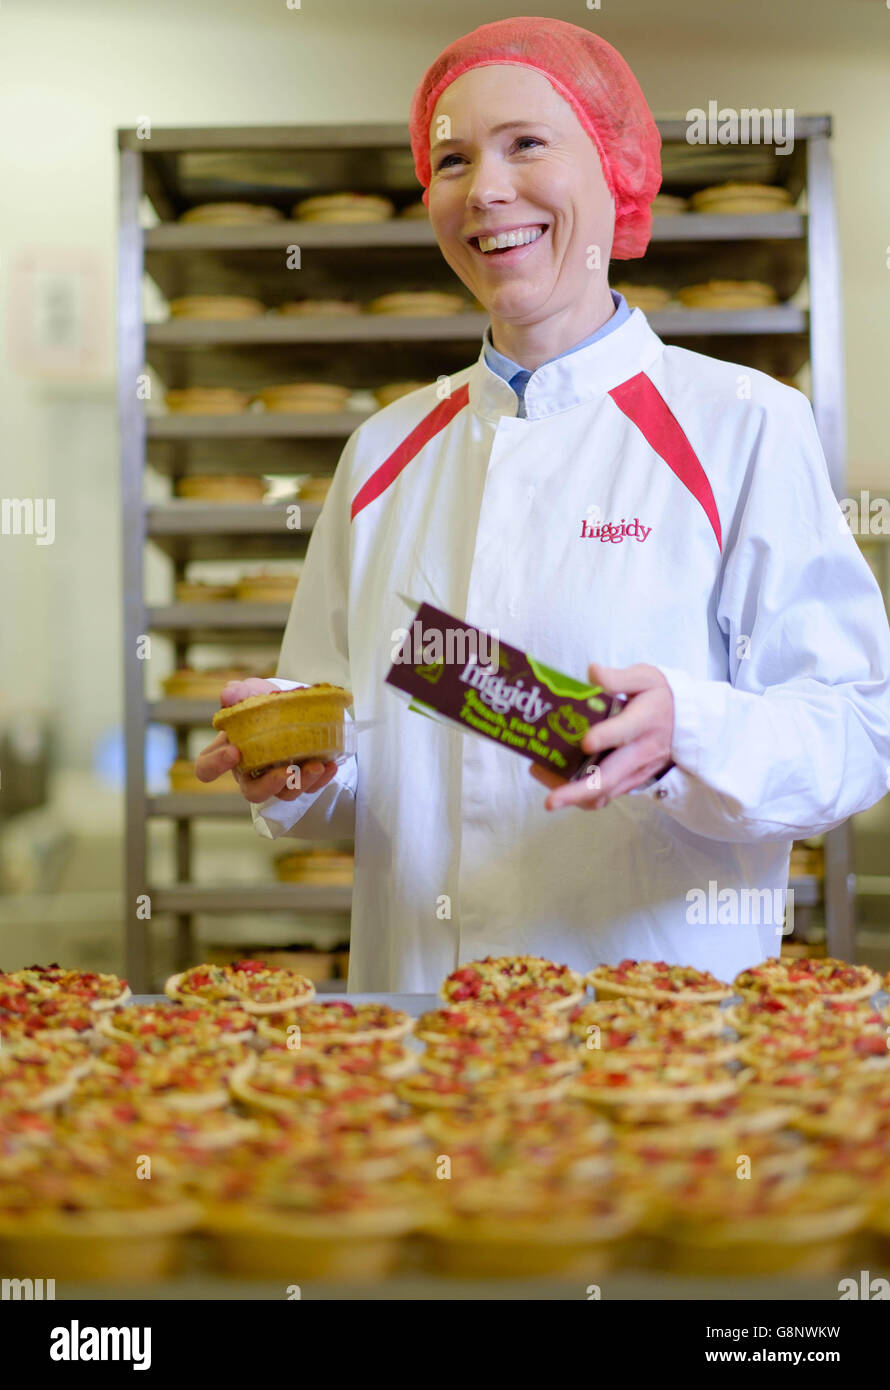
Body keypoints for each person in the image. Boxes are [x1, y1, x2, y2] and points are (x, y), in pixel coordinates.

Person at [195, 17, 890, 992]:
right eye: (451, 160)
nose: (484, 190)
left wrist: (687, 732)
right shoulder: (383, 453)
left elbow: (852, 733)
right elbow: (358, 769)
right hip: (419, 1030)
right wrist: (298, 772)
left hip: (654, 1037)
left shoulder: (740, 424)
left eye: (526, 143)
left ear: (615, 172)